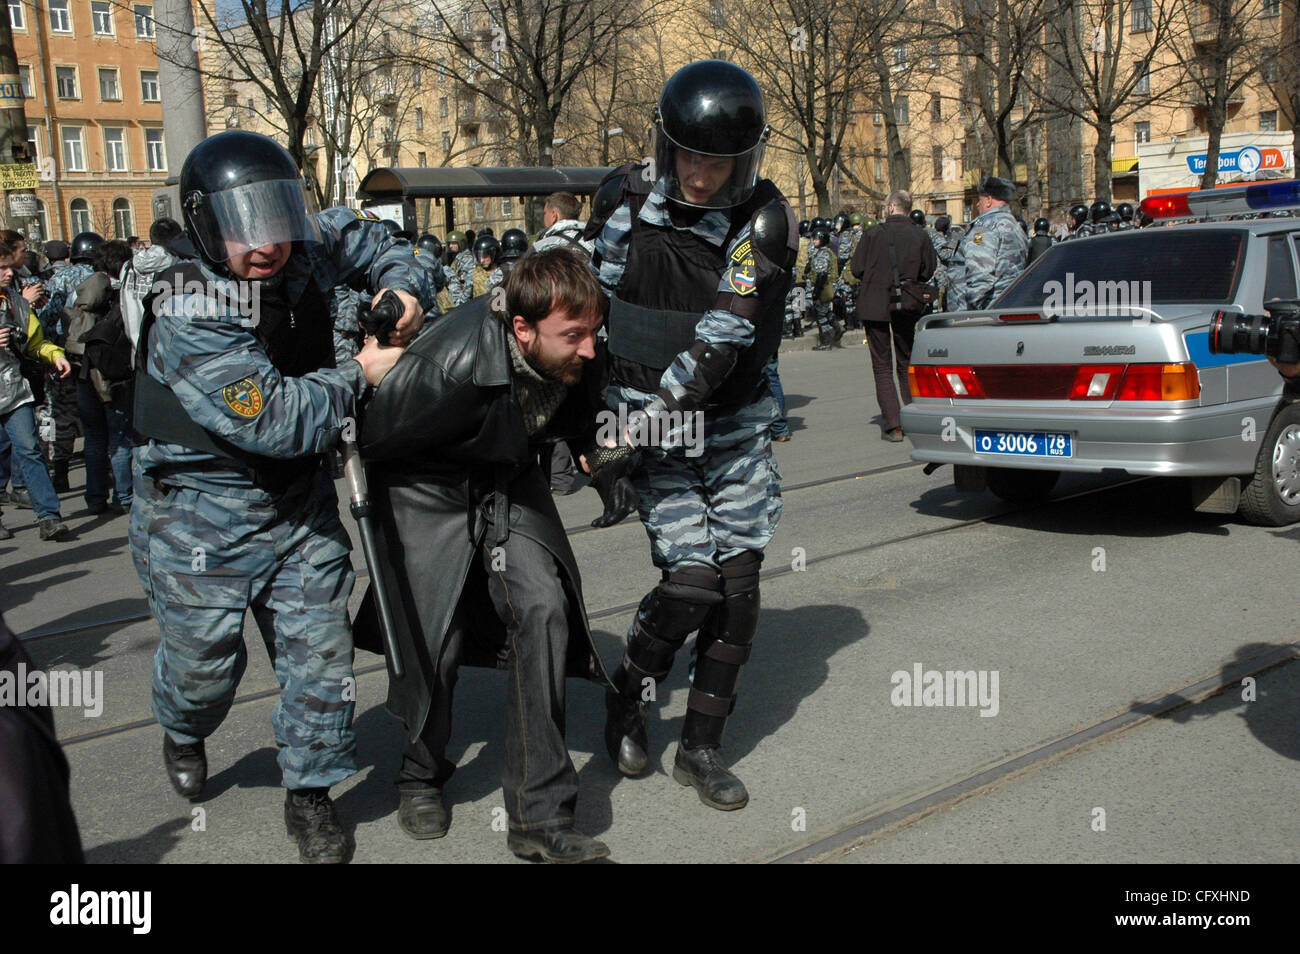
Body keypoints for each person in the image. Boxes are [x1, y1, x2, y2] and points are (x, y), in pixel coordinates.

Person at [128, 130, 433, 864]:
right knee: (205, 672)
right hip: (199, 511)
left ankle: (311, 793)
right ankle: (182, 724)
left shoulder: (306, 239)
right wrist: (363, 371)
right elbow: (274, 418)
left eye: (276, 216)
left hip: (296, 508)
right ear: (204, 224)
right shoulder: (187, 305)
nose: (267, 243)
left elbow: (383, 242)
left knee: (319, 659)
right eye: (244, 225)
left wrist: (403, 288)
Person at [355, 249, 632, 863]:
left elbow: (591, 418)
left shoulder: (580, 338)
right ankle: (420, 774)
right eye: (574, 337)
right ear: (522, 329)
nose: (589, 348)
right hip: (425, 489)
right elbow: (375, 441)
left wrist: (611, 462)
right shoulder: (444, 366)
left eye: (593, 333)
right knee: (437, 638)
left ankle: (539, 817)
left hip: (507, 474)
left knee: (546, 607)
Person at [588, 59, 796, 811]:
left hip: (727, 426)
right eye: (690, 155)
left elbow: (722, 337)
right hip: (644, 425)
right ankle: (628, 699)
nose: (701, 175)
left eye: (719, 160)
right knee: (690, 583)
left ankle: (701, 747)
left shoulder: (764, 217)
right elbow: (590, 294)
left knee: (736, 589)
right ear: (665, 144)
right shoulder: (626, 196)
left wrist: (636, 428)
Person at [0, 239, 73, 540]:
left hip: (13, 391)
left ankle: (49, 516)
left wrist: (55, 354)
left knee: (29, 450)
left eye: (8, 267)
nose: (8, 273)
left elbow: (35, 342)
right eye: (2, 268)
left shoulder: (16, 302)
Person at [851, 189, 937, 442]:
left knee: (882, 365)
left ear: (890, 207)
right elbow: (928, 269)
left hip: (875, 304)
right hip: (907, 302)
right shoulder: (920, 234)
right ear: (908, 208)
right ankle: (913, 416)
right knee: (906, 361)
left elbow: (857, 269)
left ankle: (893, 425)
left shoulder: (873, 234)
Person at [63, 240, 136, 515]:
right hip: (112, 372)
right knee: (119, 437)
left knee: (94, 438)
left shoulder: (80, 292)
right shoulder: (122, 291)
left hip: (84, 372)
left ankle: (94, 498)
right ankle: (124, 496)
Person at [39, 232, 100, 492]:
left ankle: (61, 471)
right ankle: (101, 473)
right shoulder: (102, 276)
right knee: (95, 414)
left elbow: (48, 317)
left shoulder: (60, 278)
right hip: (95, 354)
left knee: (61, 415)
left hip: (63, 354)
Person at [945, 175, 1028, 312]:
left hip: (977, 315)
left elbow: (980, 275)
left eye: (980, 200)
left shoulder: (986, 228)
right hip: (1006, 305)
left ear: (989, 200)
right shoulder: (1014, 226)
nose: (978, 204)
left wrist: (976, 309)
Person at [531, 191, 595, 258]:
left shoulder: (540, 248)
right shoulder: (595, 245)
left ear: (554, 215)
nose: (544, 216)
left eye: (545, 213)